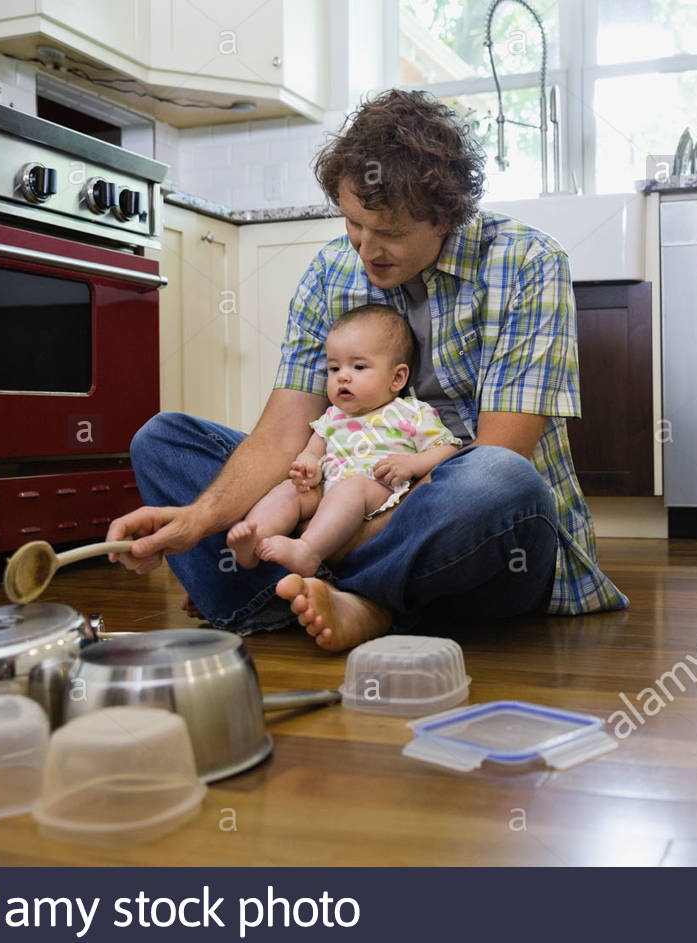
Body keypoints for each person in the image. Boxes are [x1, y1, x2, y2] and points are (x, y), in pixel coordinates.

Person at [106, 89, 628, 651]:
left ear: (447, 217)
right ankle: (327, 588)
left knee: (495, 477)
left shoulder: (529, 263)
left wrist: (345, 518)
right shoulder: (331, 269)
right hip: (333, 500)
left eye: (392, 233)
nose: (366, 250)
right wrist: (197, 519)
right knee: (164, 440)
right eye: (356, 223)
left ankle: (334, 594)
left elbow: (502, 450)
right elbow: (284, 435)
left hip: (477, 534)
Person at [226, 303, 461, 575]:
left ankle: (307, 551)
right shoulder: (332, 416)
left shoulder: (410, 412)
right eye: (334, 368)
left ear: (397, 378)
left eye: (359, 366)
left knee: (352, 488)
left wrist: (412, 464)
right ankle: (255, 539)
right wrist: (307, 468)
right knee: (289, 490)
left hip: (377, 490)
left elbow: (449, 449)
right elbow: (311, 452)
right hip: (327, 491)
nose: (343, 377)